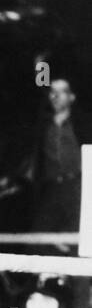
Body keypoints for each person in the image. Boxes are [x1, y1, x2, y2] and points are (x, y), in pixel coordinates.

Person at [30, 77, 92, 235]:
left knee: (76, 239)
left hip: (77, 189)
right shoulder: (43, 125)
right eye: (52, 92)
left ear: (72, 97)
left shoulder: (83, 123)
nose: (55, 96)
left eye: (61, 92)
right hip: (51, 188)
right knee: (38, 240)